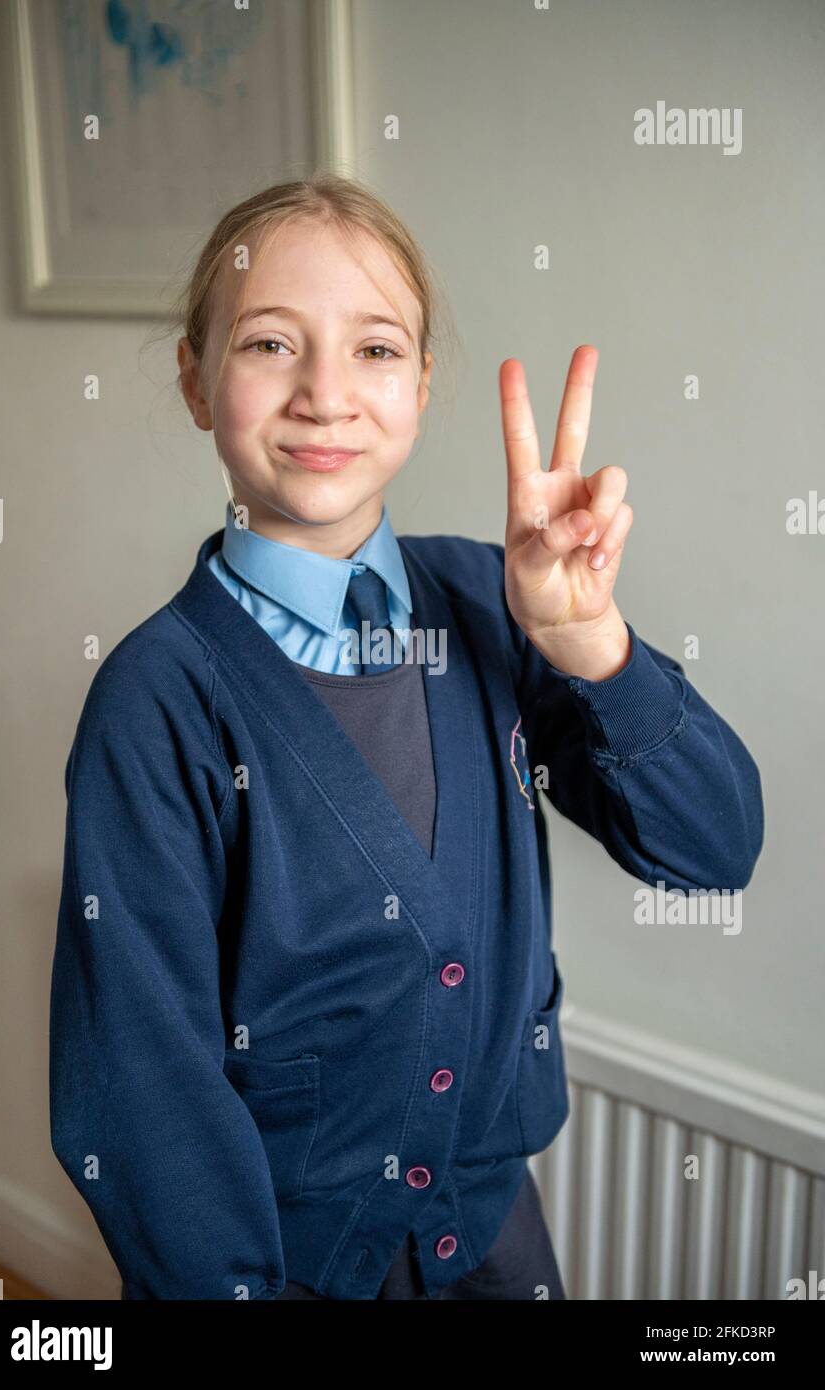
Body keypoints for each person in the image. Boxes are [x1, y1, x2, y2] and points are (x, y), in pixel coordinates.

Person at [49, 175, 764, 1301]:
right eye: (272, 344)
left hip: (492, 1245)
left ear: (424, 388)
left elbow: (716, 846)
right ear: (195, 379)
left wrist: (591, 644)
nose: (326, 395)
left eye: (376, 350)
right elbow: (147, 1092)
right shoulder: (159, 700)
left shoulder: (496, 603)